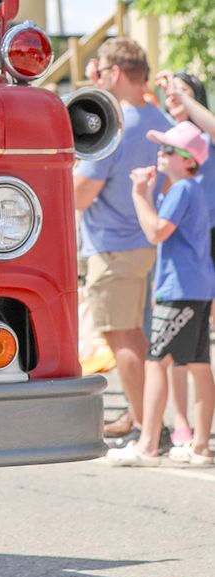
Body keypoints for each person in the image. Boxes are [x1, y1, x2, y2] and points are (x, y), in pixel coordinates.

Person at [78, 38, 171, 443]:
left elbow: (79, 194)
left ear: (115, 73)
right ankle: (142, 418)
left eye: (99, 70)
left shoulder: (117, 127)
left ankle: (144, 425)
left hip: (112, 248)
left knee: (122, 336)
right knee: (135, 334)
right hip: (144, 245)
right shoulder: (161, 120)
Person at [107, 121, 215, 465]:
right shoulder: (186, 190)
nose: (160, 154)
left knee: (156, 362)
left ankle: (148, 445)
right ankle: (199, 446)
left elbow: (156, 232)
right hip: (193, 288)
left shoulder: (182, 190)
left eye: (168, 150)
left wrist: (140, 194)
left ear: (188, 160)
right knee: (198, 363)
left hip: (181, 289)